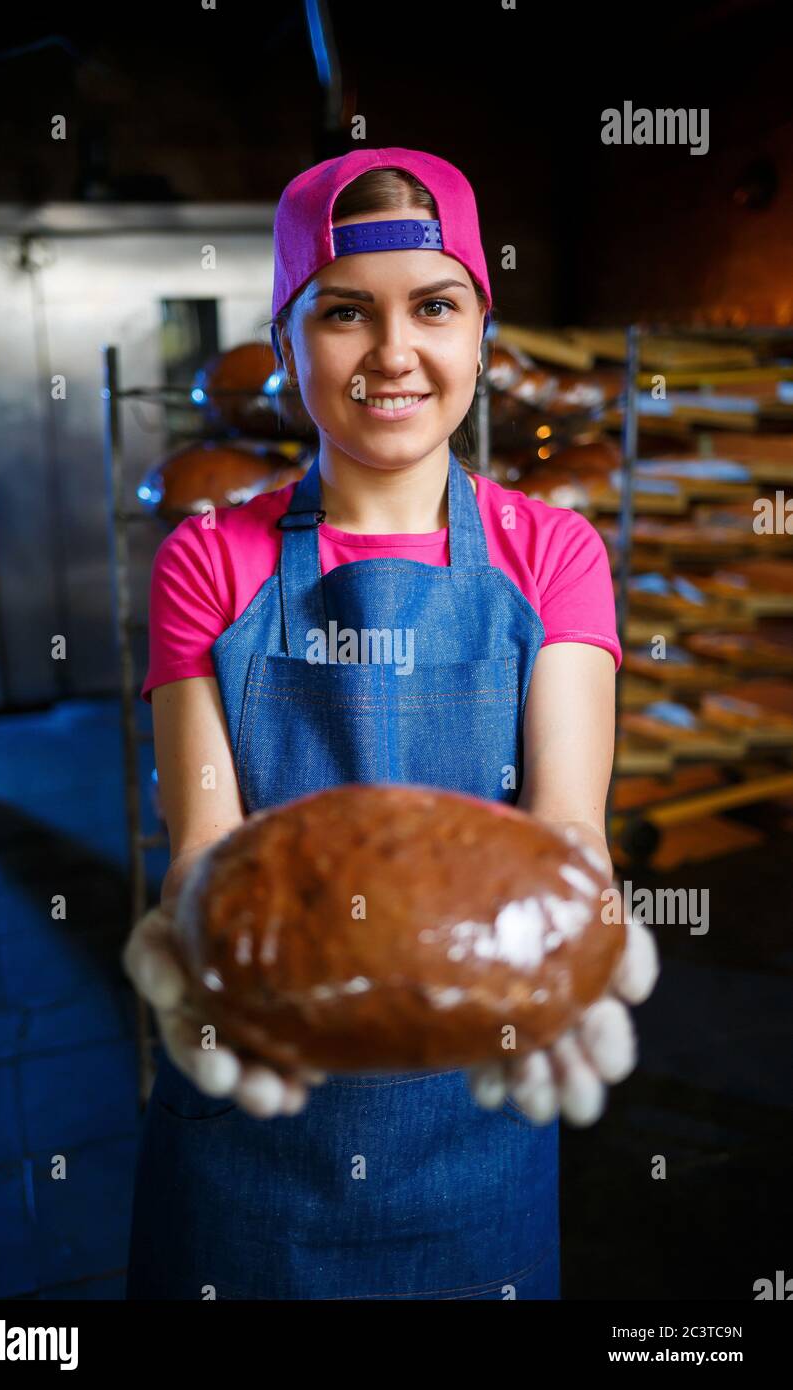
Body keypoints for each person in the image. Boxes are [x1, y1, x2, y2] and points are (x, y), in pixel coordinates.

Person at [122, 146, 659, 1301]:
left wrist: (579, 940)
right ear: (285, 344)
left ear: (480, 334)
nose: (394, 352)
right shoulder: (206, 560)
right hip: (253, 1090)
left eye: (434, 306)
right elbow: (206, 849)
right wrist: (199, 947)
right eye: (343, 313)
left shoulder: (551, 554)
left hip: (478, 1100)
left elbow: (563, 823)